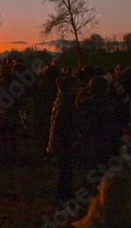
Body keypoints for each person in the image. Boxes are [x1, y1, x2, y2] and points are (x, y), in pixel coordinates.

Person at [48, 75, 81, 203]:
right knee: (66, 170)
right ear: (71, 88)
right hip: (64, 141)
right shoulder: (66, 104)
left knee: (65, 169)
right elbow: (60, 126)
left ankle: (64, 194)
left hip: (61, 141)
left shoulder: (61, 101)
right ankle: (64, 195)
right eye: (77, 86)